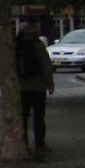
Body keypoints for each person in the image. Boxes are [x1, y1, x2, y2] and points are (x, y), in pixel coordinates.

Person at [14, 23, 55, 153]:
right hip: (38, 87)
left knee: (24, 117)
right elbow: (46, 65)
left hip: (22, 87)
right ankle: (40, 144)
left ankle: (23, 143)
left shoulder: (17, 46)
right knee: (39, 117)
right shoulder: (38, 46)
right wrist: (50, 84)